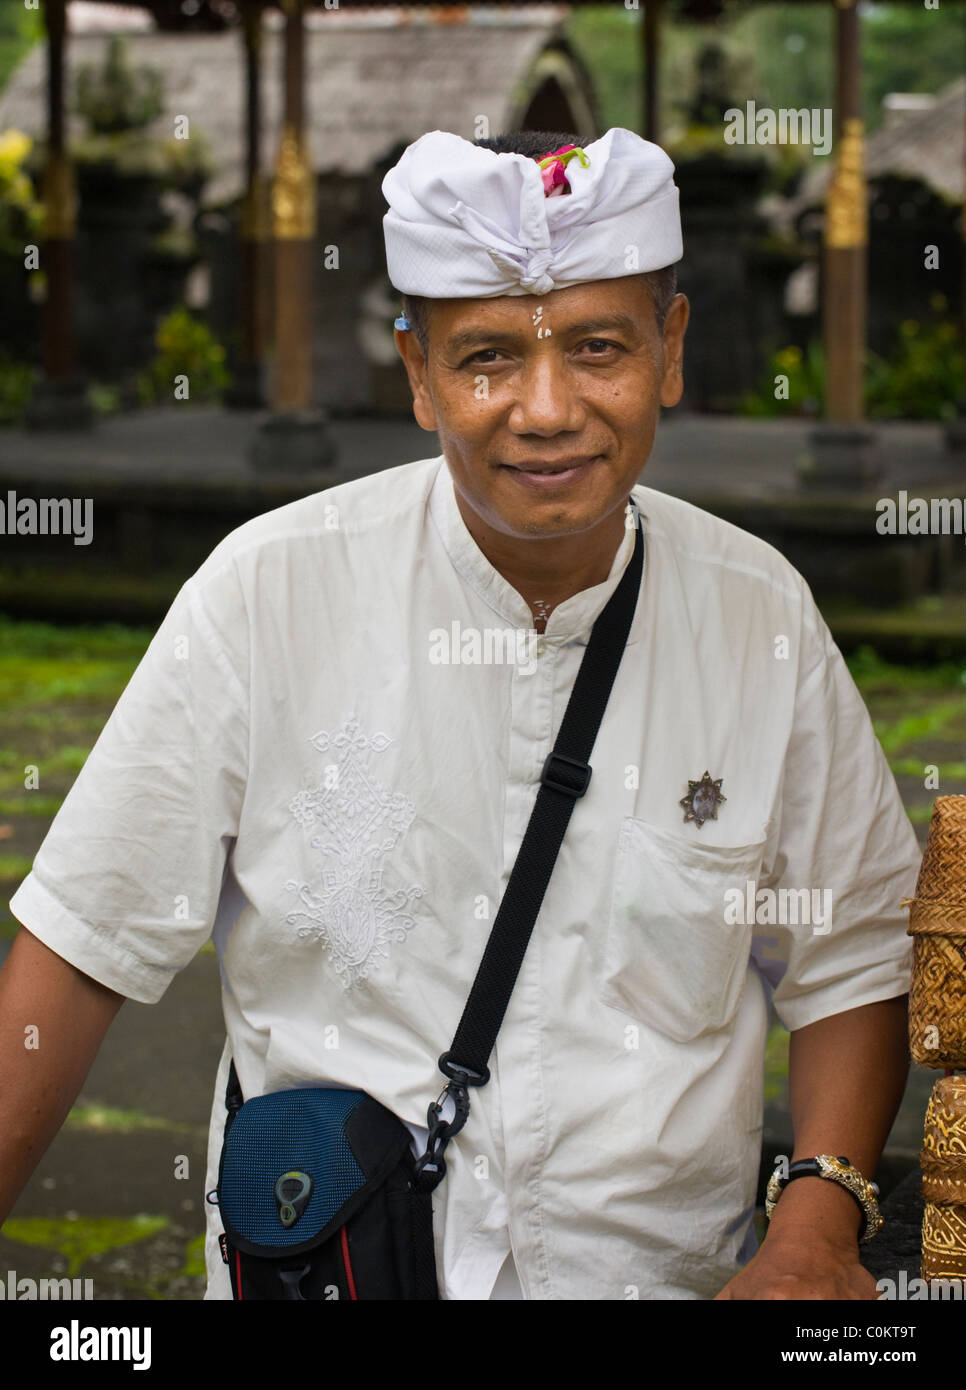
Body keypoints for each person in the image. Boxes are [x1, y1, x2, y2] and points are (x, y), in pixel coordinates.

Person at [0, 127, 918, 1301]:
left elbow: (849, 962)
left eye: (599, 347)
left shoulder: (759, 619)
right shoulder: (265, 594)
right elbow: (78, 952)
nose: (546, 409)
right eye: (487, 357)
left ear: (672, 350)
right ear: (417, 370)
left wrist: (816, 1228)